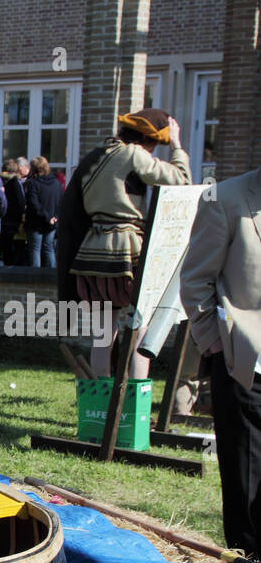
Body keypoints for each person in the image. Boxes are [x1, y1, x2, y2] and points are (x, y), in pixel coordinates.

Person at [56, 108, 190, 377]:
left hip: (91, 253)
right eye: (155, 144)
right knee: (140, 331)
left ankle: (103, 405)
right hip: (127, 251)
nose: (153, 151)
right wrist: (176, 146)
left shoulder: (95, 155)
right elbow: (181, 179)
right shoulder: (133, 153)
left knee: (103, 336)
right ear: (146, 139)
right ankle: (134, 406)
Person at [179, 165, 261, 559]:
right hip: (245, 361)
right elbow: (196, 280)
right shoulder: (223, 199)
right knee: (246, 472)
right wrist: (217, 346)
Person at [23, 155, 63, 268]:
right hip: (51, 222)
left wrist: (48, 217)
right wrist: (54, 217)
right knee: (49, 248)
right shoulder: (56, 183)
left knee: (35, 249)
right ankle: (51, 276)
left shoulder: (33, 183)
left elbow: (34, 203)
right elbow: (61, 201)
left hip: (36, 222)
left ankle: (35, 277)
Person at [0, 157, 26, 267]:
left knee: (4, 246)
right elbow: (20, 200)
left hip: (2, 217)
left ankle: (4, 264)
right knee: (15, 245)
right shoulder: (15, 182)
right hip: (14, 218)